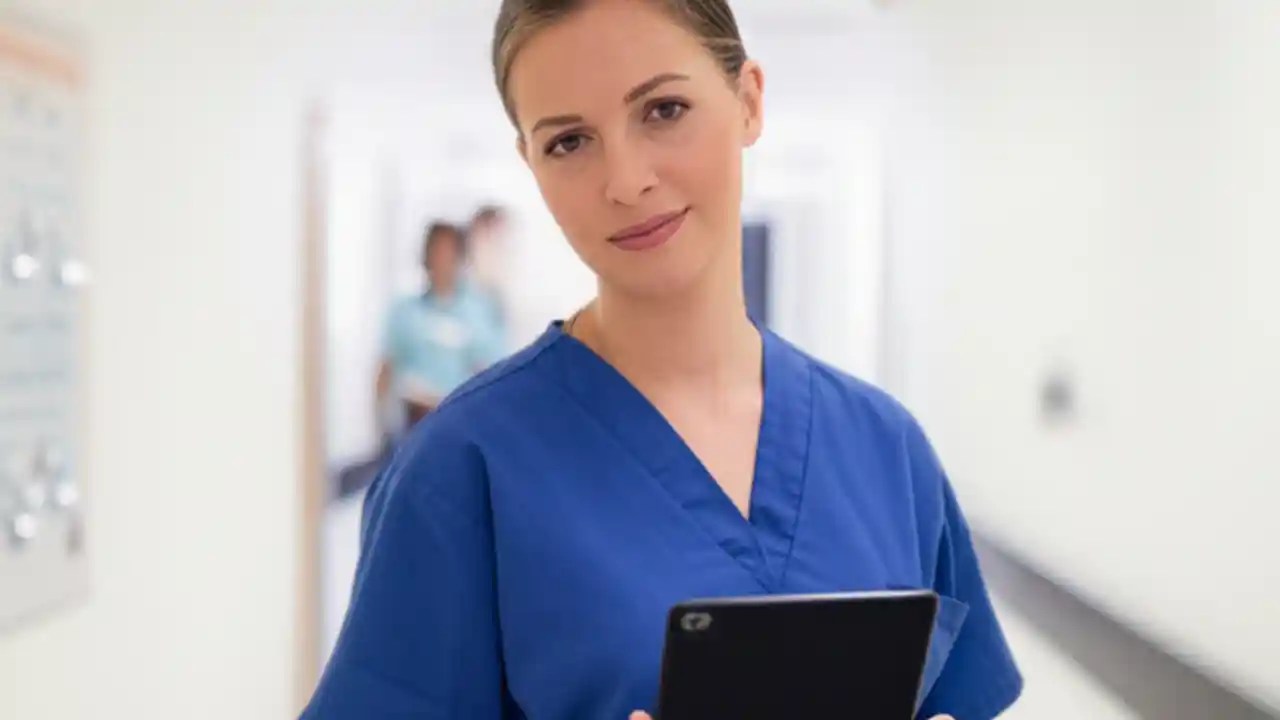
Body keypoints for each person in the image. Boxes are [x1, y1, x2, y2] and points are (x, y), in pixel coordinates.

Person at [305, 1, 1023, 718]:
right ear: (530, 161)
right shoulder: (463, 469)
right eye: (569, 142)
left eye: (663, 110)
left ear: (748, 101)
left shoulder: (883, 447)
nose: (625, 180)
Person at [374, 221, 501, 429]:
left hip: (457, 420)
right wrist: (382, 423)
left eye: (447, 253)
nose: (441, 261)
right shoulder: (405, 312)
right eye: (435, 252)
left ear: (460, 258)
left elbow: (488, 374)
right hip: (413, 420)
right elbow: (386, 369)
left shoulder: (478, 313)